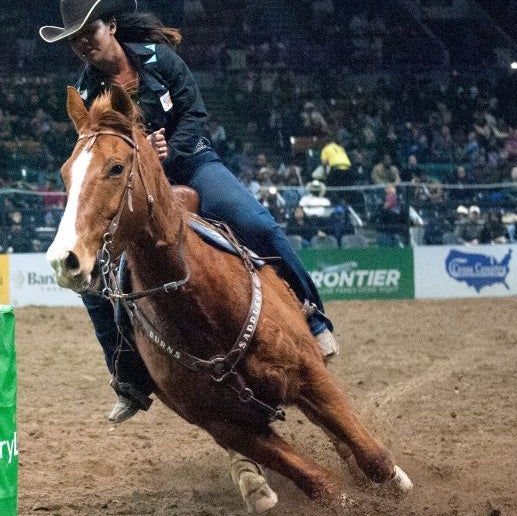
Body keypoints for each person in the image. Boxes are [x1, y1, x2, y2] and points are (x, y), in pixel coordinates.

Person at [40, 0, 336, 423]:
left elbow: (195, 114)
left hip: (193, 163)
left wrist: (170, 148)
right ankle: (129, 378)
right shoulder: (87, 93)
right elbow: (99, 150)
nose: (85, 44)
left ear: (113, 27)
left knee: (258, 225)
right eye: (76, 41)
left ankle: (314, 316)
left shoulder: (160, 60)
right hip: (135, 187)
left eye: (92, 33)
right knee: (94, 280)